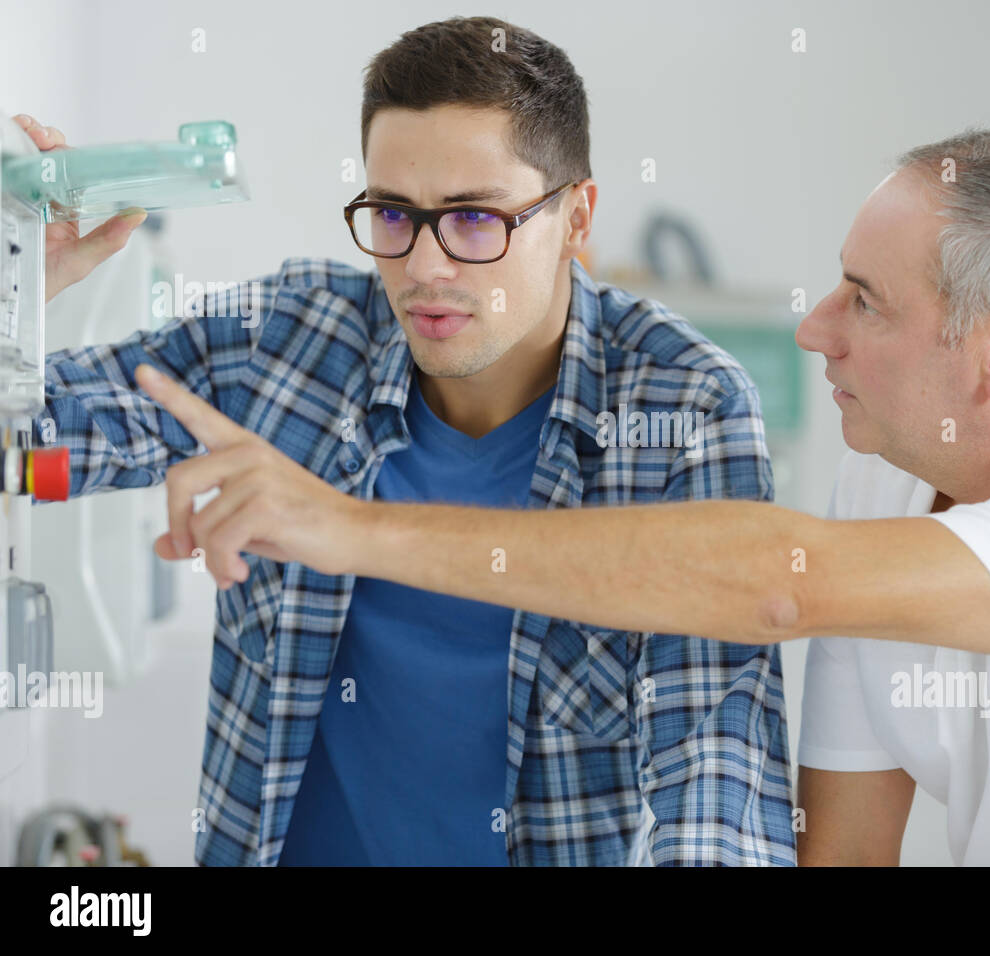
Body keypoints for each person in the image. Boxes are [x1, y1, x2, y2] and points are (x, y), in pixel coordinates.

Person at [129, 128, 990, 866]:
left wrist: (347, 527)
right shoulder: (882, 479)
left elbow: (771, 588)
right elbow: (841, 845)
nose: (812, 329)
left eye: (863, 300)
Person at [25, 15, 796, 866]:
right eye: (394, 214)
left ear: (577, 217)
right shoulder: (288, 339)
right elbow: (27, 441)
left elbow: (718, 777)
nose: (426, 267)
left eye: (474, 220)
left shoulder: (685, 408)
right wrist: (20, 281)